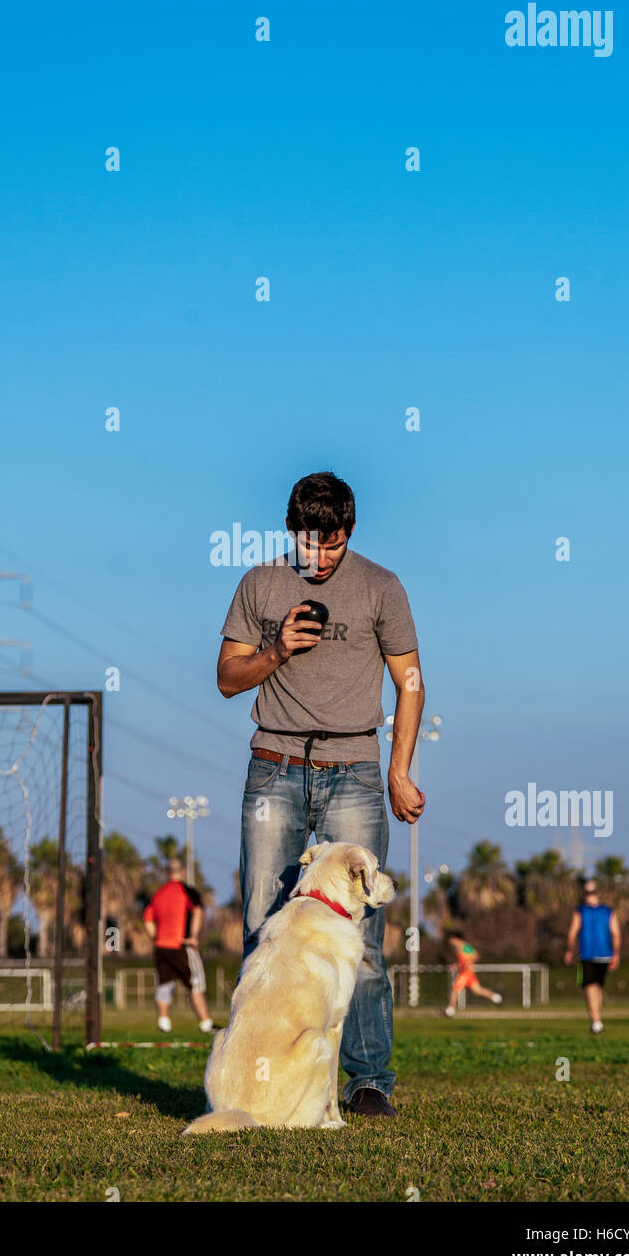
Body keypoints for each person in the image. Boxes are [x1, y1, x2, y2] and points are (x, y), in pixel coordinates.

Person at [217, 470, 426, 1119]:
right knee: (262, 926)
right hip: (273, 766)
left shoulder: (382, 587)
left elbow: (411, 682)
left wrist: (399, 771)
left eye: (332, 545)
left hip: (355, 769)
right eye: (310, 543)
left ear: (350, 532)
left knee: (361, 935)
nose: (320, 556)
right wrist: (277, 648)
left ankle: (368, 1083)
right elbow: (227, 678)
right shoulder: (260, 583)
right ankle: (256, 1083)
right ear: (291, 531)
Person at [142, 858, 214, 1034]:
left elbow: (147, 919)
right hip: (181, 945)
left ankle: (164, 1024)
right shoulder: (187, 891)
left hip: (161, 947)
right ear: (182, 872)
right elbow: (197, 911)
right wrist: (193, 937)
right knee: (195, 984)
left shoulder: (158, 894)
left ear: (167, 873)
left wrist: (155, 937)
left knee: (164, 985)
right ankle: (206, 1024)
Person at [564, 878, 620, 1034]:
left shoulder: (604, 911)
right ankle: (596, 1020)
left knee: (594, 987)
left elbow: (615, 934)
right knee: (593, 986)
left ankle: (596, 1019)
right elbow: (573, 933)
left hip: (599, 955)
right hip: (588, 955)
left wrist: (615, 953)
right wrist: (570, 949)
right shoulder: (583, 911)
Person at [443, 930, 502, 1015]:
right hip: (467, 973)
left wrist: (469, 962)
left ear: (456, 939)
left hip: (466, 973)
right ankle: (495, 997)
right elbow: (463, 961)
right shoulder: (458, 948)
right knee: (477, 990)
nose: (450, 941)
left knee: (455, 989)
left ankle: (450, 1010)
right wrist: (456, 965)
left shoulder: (464, 946)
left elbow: (476, 955)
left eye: (451, 939)